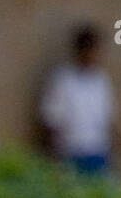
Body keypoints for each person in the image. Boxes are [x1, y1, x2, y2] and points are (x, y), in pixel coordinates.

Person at [40, 25, 116, 173]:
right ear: (80, 50)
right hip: (71, 152)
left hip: (98, 151)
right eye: (90, 50)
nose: (94, 56)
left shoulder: (100, 80)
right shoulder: (62, 80)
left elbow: (107, 119)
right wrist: (53, 157)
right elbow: (51, 120)